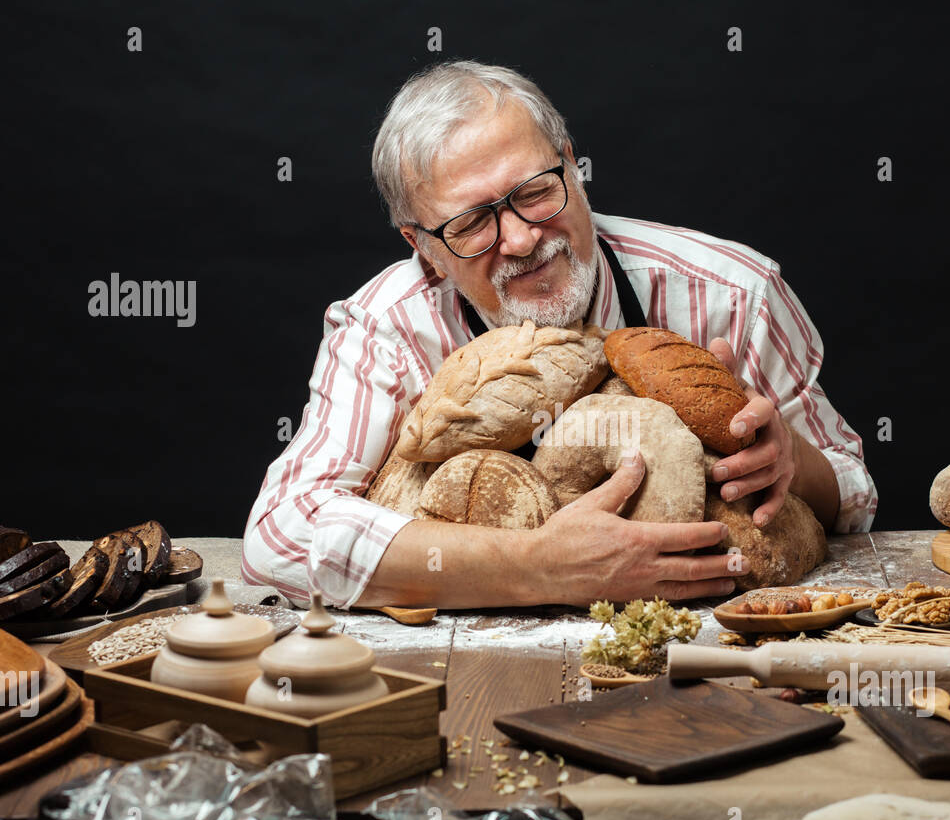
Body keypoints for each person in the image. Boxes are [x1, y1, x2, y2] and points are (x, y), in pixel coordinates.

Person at [242, 60, 877, 609]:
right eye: (469, 224)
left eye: (536, 192)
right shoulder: (386, 329)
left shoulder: (732, 294)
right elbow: (281, 533)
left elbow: (854, 495)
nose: (521, 240)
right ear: (422, 248)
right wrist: (536, 568)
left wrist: (790, 456)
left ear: (574, 165)